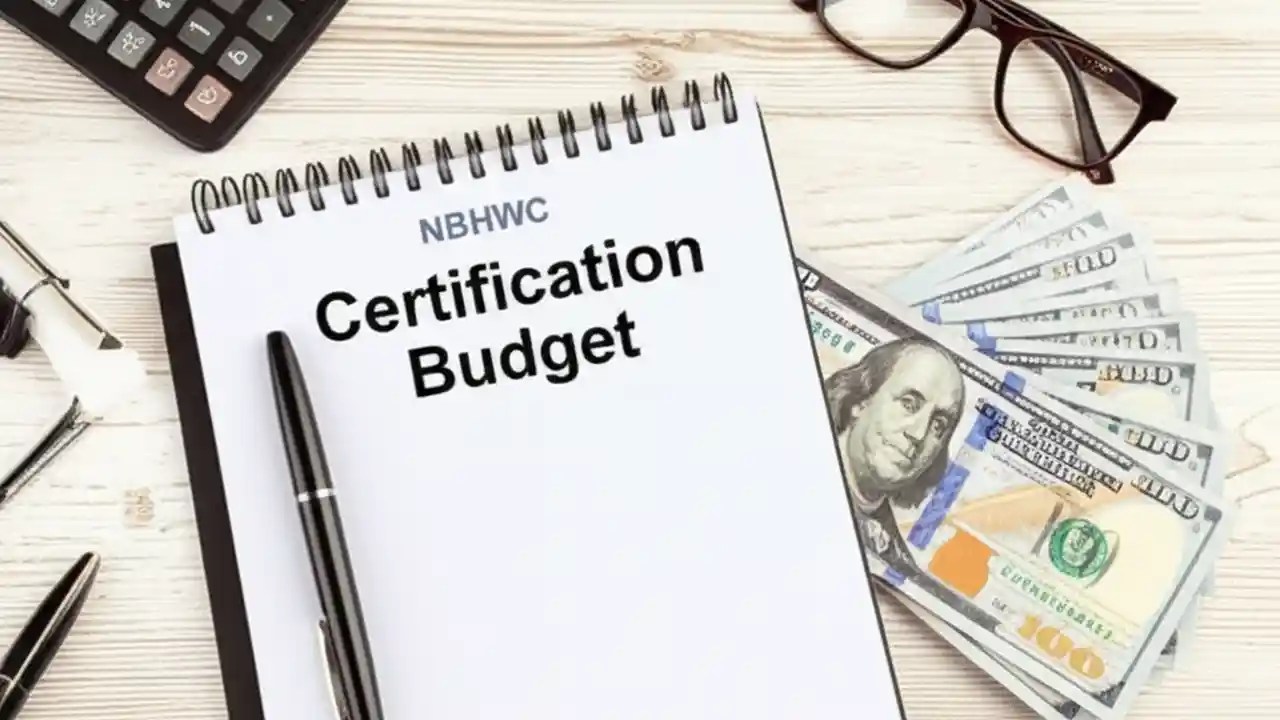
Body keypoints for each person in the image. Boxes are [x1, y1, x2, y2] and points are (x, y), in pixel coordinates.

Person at [824, 335, 965, 577]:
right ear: (861, 401)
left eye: (938, 426)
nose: (919, 434)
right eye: (909, 404)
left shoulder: (900, 566)